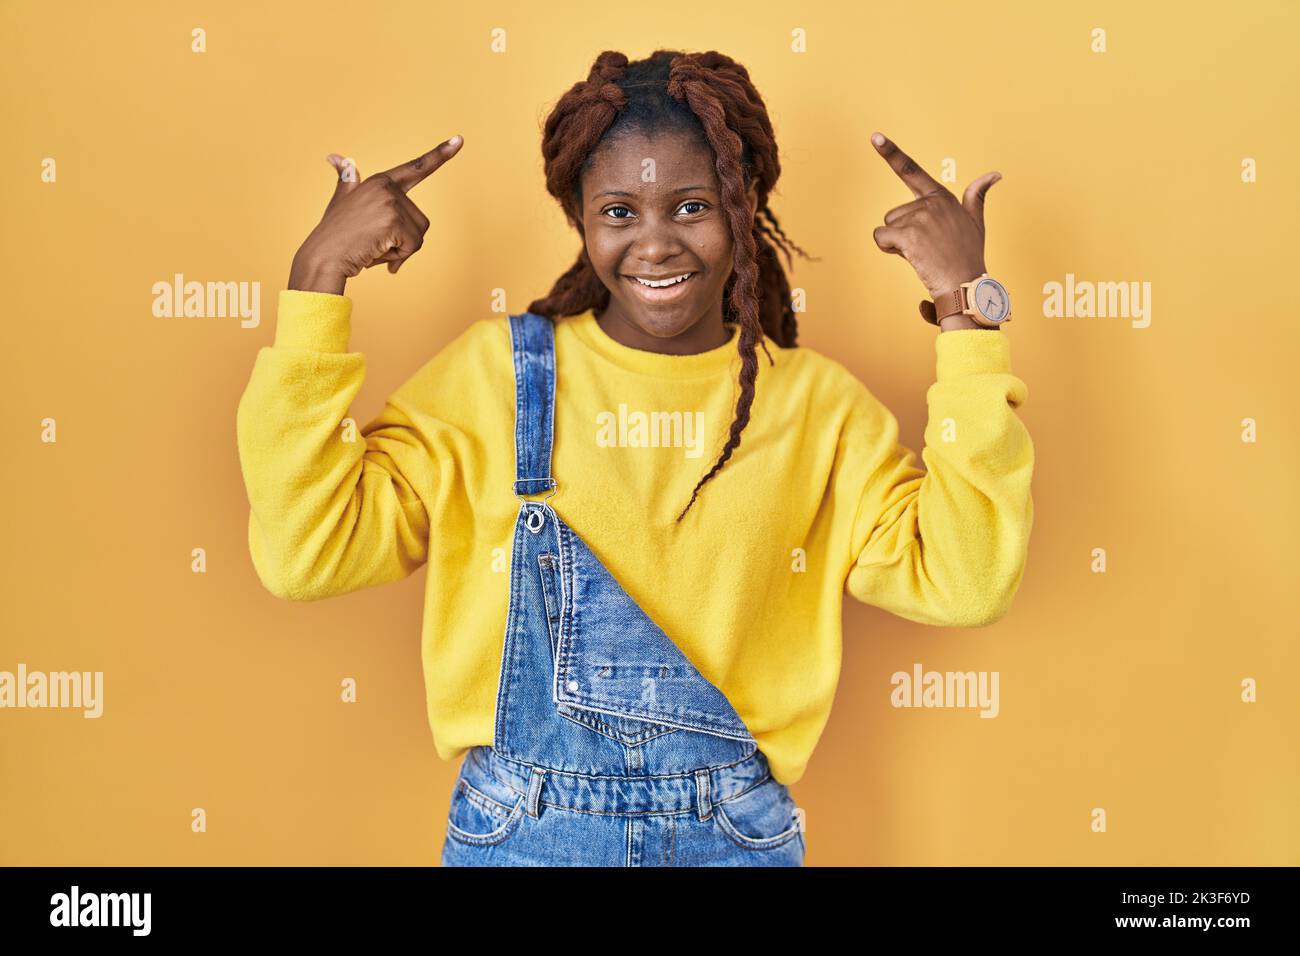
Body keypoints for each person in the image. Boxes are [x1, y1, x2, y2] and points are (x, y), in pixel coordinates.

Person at [236, 49, 1034, 866]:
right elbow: (307, 555)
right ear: (580, 220)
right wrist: (316, 282)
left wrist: (966, 312)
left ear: (745, 204)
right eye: (619, 211)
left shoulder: (820, 412)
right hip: (521, 833)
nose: (655, 244)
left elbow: (968, 581)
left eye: (691, 206)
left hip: (734, 837)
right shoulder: (492, 381)